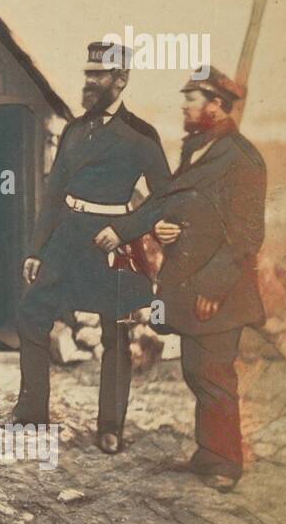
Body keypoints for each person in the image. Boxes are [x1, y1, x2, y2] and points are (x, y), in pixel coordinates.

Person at [97, 68, 266, 490]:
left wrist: (214, 287)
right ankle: (210, 451)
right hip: (190, 283)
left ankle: (226, 462)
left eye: (192, 99)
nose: (185, 106)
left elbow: (247, 236)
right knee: (196, 369)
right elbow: (171, 205)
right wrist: (155, 228)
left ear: (216, 106)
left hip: (218, 288)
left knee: (213, 372)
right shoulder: (198, 149)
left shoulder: (242, 159)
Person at [10, 42, 171, 453]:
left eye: (98, 75)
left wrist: (125, 229)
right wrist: (35, 249)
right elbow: (53, 193)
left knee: (115, 332)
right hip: (65, 240)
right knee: (31, 316)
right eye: (87, 73)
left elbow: (165, 196)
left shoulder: (141, 135)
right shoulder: (74, 130)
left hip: (110, 246)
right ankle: (32, 416)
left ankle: (110, 426)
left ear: (121, 80)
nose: (89, 81)